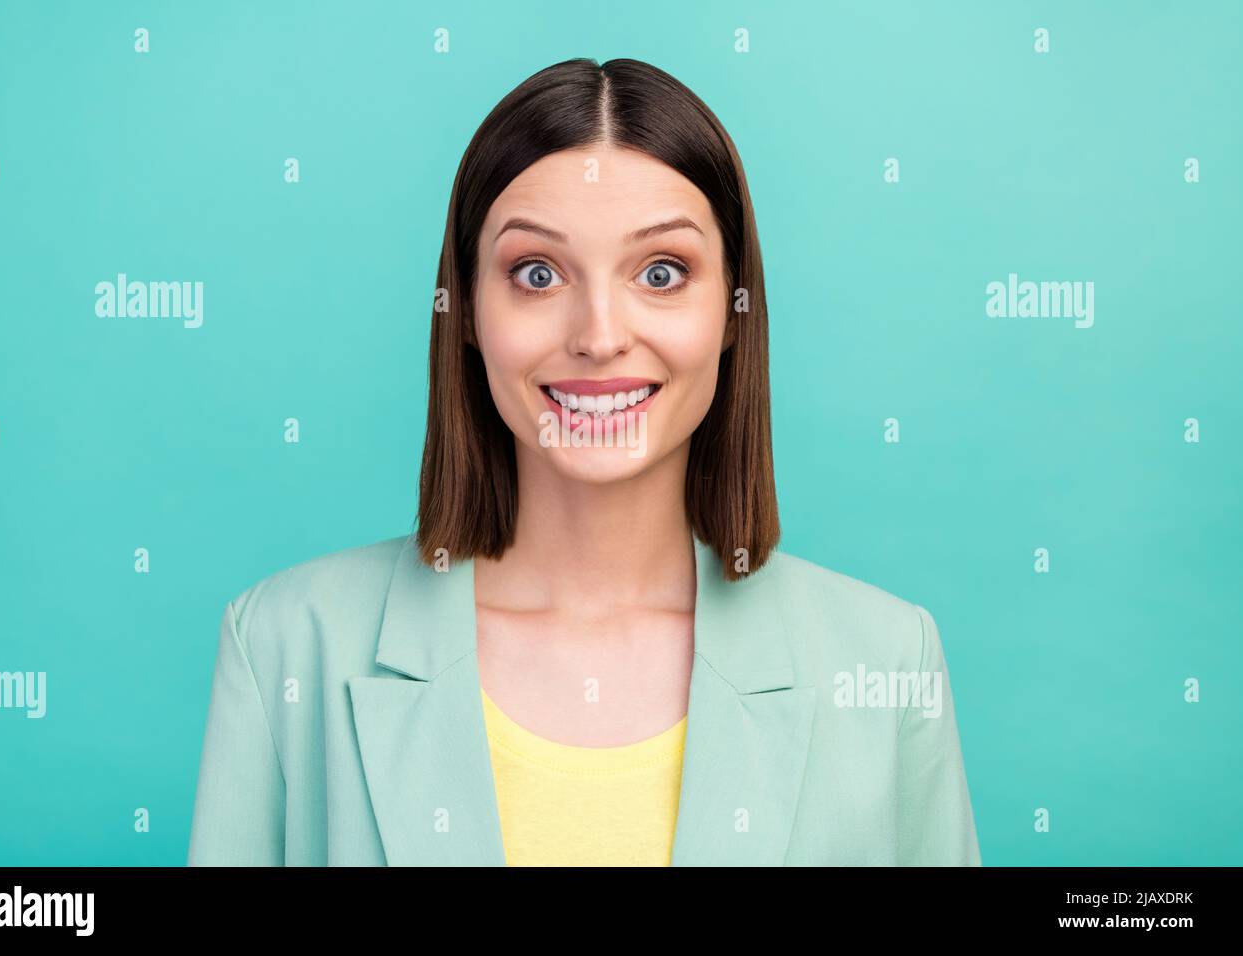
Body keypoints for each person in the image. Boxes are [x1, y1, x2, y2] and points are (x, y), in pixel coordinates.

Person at [187, 57, 981, 866]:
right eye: (537, 274)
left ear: (735, 311)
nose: (599, 337)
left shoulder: (886, 662)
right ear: (466, 311)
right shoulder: (283, 646)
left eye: (662, 273)